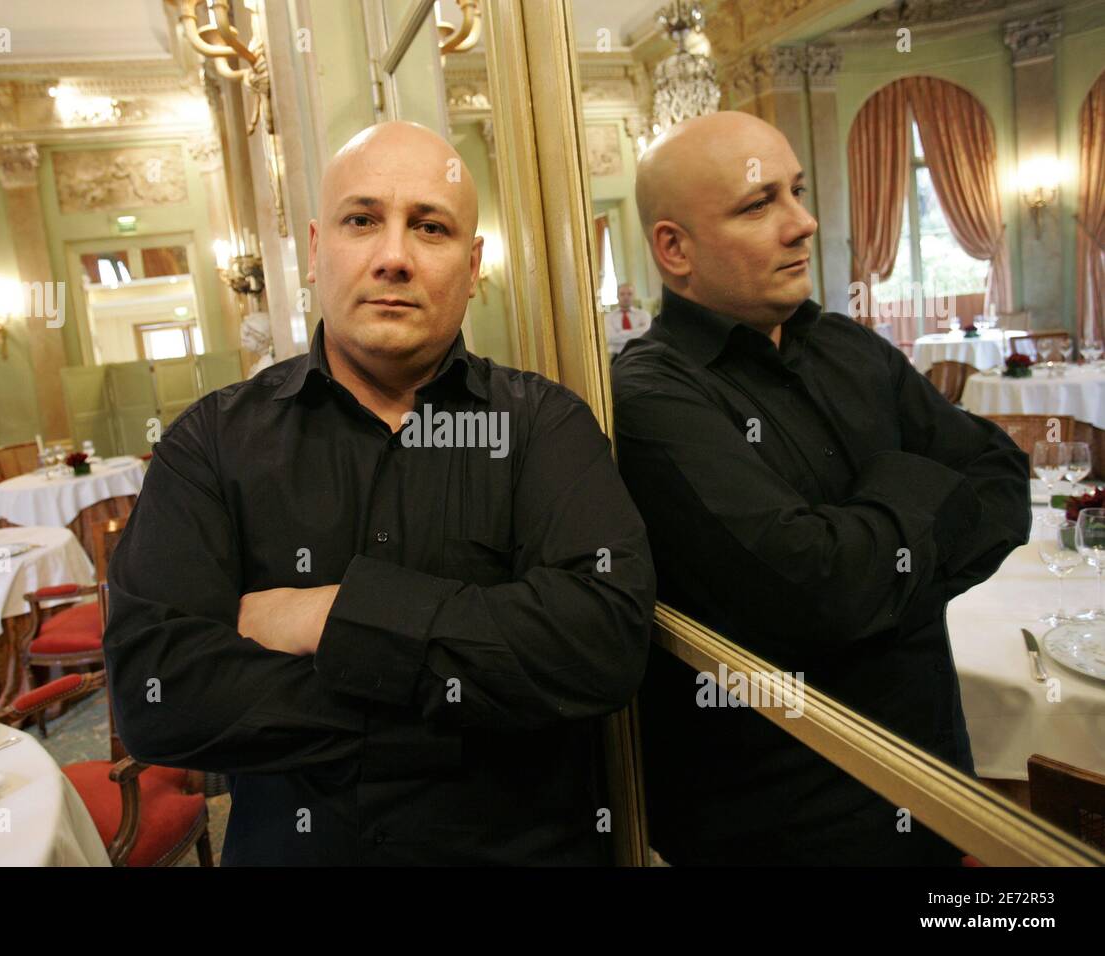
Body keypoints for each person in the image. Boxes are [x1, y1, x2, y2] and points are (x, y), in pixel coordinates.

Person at [104, 121, 655, 865]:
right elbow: (158, 695)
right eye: (362, 220)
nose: (393, 257)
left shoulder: (543, 426)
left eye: (430, 227)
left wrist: (328, 615)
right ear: (314, 247)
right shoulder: (210, 444)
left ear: (474, 263)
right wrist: (470, 696)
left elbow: (602, 643)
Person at [611, 111, 1030, 865]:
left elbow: (1004, 479)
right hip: (788, 822)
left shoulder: (848, 344)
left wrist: (876, 568)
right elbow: (818, 588)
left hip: (937, 781)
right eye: (758, 203)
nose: (803, 223)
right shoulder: (652, 396)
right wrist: (917, 483)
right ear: (675, 249)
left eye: (797, 191)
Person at [604, 283, 651, 359]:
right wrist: (637, 331)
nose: (626, 297)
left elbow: (646, 335)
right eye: (622, 294)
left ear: (634, 296)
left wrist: (620, 333)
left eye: (629, 294)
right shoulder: (608, 317)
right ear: (617, 296)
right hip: (617, 356)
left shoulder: (644, 315)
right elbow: (610, 338)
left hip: (640, 354)